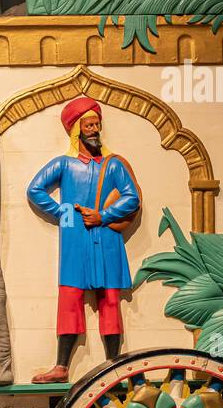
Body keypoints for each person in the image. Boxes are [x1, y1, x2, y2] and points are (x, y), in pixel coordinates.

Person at [26, 97, 140, 384]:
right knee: (69, 299)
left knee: (110, 300)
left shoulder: (113, 166)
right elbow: (35, 189)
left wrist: (103, 216)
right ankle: (61, 366)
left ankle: (114, 363)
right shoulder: (64, 164)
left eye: (96, 125)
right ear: (76, 130)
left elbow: (132, 197)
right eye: (88, 125)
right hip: (75, 241)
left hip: (108, 239)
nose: (93, 130)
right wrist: (65, 214)